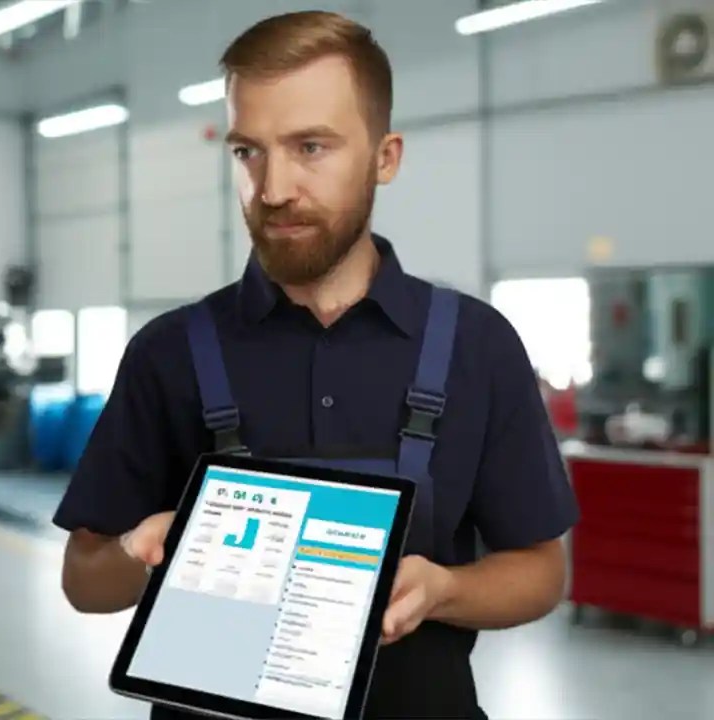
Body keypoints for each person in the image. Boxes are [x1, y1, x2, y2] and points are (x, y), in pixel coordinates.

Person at [52, 10, 579, 720]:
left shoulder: (476, 346)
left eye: (310, 147)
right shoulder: (169, 352)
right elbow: (83, 579)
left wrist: (445, 591)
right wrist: (142, 552)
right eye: (248, 151)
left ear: (385, 158)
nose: (272, 188)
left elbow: (541, 571)